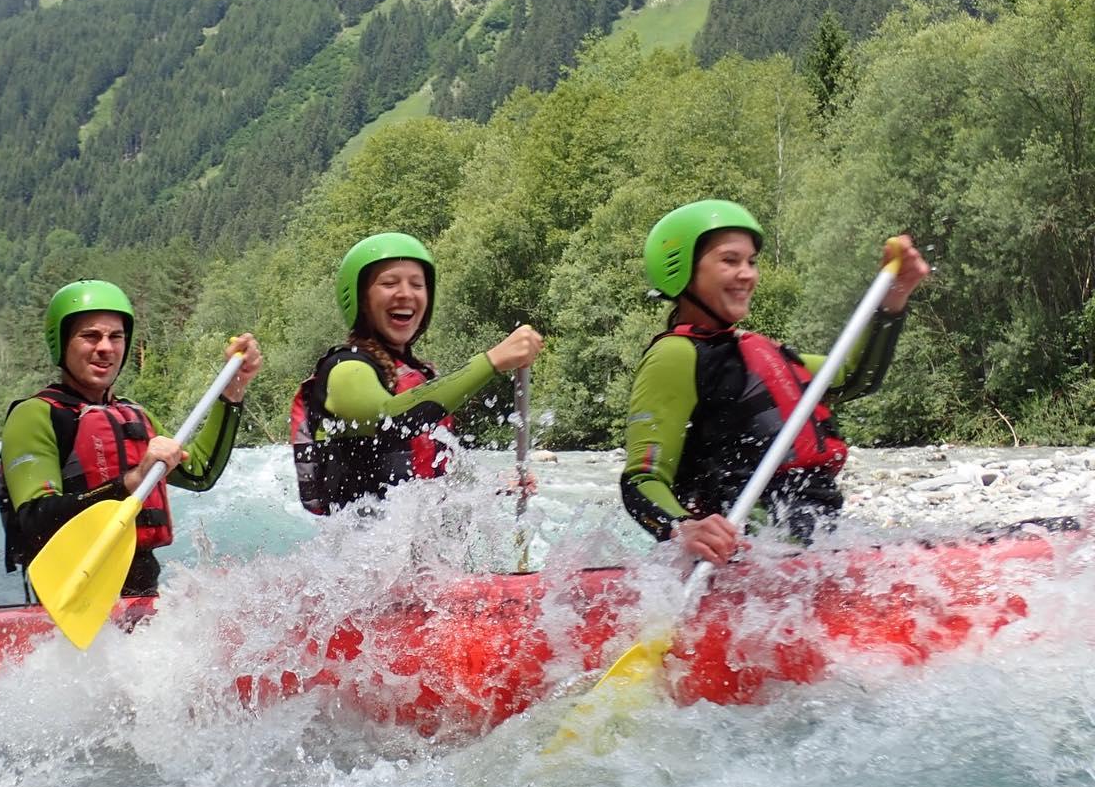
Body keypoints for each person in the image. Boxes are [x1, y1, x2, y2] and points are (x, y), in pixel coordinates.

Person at [621, 200, 930, 565]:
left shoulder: (762, 353)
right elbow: (642, 479)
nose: (747, 274)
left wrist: (894, 296)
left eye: (751, 262)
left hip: (805, 554)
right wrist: (683, 527)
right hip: (734, 567)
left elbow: (853, 377)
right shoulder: (674, 355)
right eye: (729, 260)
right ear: (683, 271)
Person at [0, 279, 262, 597]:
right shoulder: (34, 416)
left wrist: (233, 389)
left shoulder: (135, 416)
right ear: (63, 342)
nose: (106, 347)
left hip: (141, 596)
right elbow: (34, 521)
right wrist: (130, 482)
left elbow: (200, 471)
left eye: (116, 337)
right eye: (90, 336)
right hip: (69, 595)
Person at [291, 232, 544, 515]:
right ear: (362, 299)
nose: (405, 293)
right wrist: (491, 362)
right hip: (362, 550)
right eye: (389, 283)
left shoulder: (420, 375)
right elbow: (391, 418)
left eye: (417, 284)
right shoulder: (344, 369)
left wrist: (496, 486)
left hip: (419, 548)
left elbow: (439, 478)